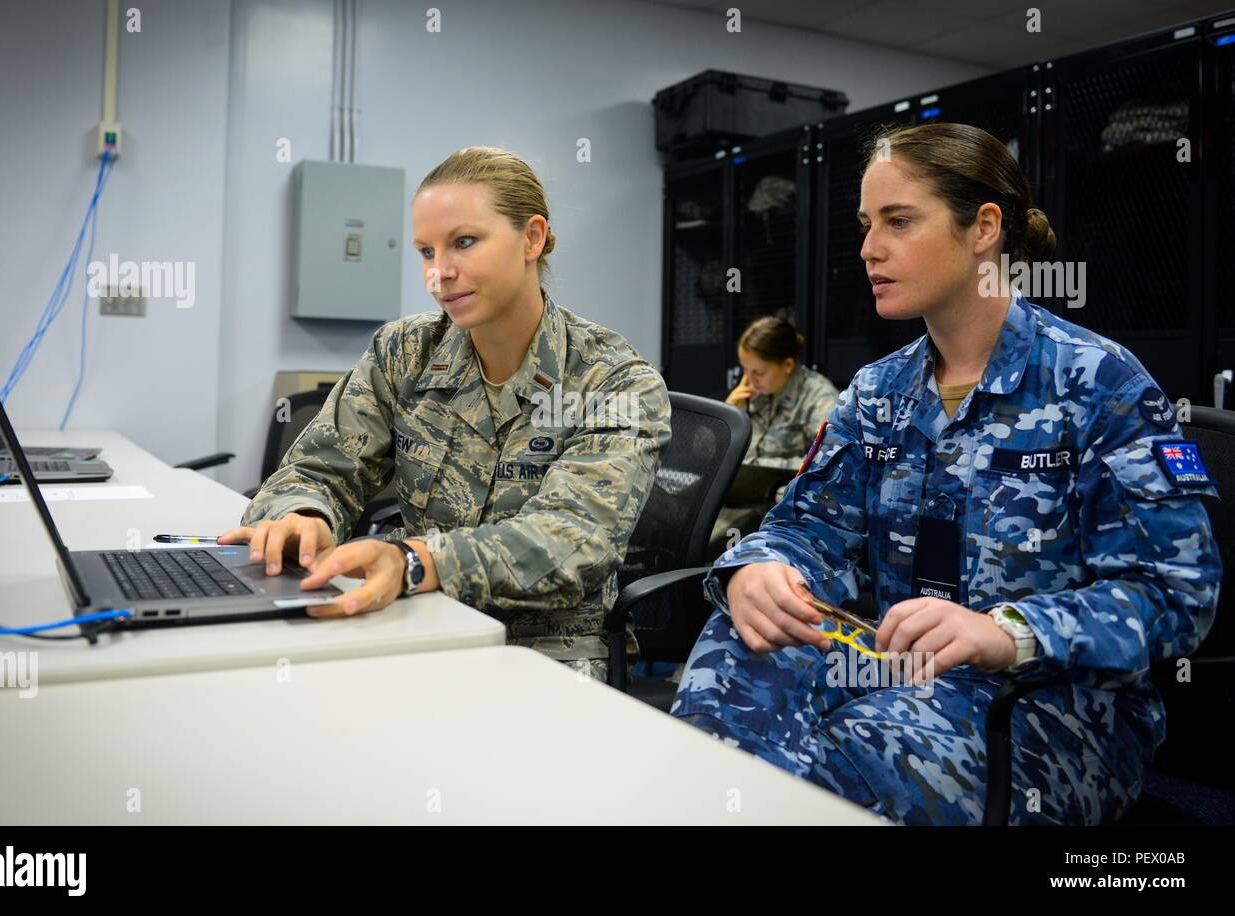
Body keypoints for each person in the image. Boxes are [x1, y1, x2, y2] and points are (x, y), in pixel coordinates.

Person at [672, 122, 1221, 825]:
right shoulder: (878, 391)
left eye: (899, 221)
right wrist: (762, 569)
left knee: (858, 754)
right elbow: (809, 526)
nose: (870, 248)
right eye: (867, 224)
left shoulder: (1098, 382)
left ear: (984, 227)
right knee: (734, 657)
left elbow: (1178, 595)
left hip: (1049, 706)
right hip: (890, 662)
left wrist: (1009, 630)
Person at [219, 146, 672, 681]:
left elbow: (573, 541)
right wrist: (304, 517)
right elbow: (319, 468)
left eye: (463, 242)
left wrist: (418, 562)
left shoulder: (612, 381)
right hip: (418, 619)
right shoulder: (405, 352)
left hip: (545, 652)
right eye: (426, 252)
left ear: (531, 238)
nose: (440, 274)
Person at [712, 317, 838, 550]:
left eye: (758, 372)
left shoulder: (818, 398)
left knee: (710, 547)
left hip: (777, 502)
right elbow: (709, 450)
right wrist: (730, 412)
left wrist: (763, 469)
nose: (749, 379)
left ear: (787, 365)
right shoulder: (749, 393)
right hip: (735, 497)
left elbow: (826, 465)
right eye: (745, 370)